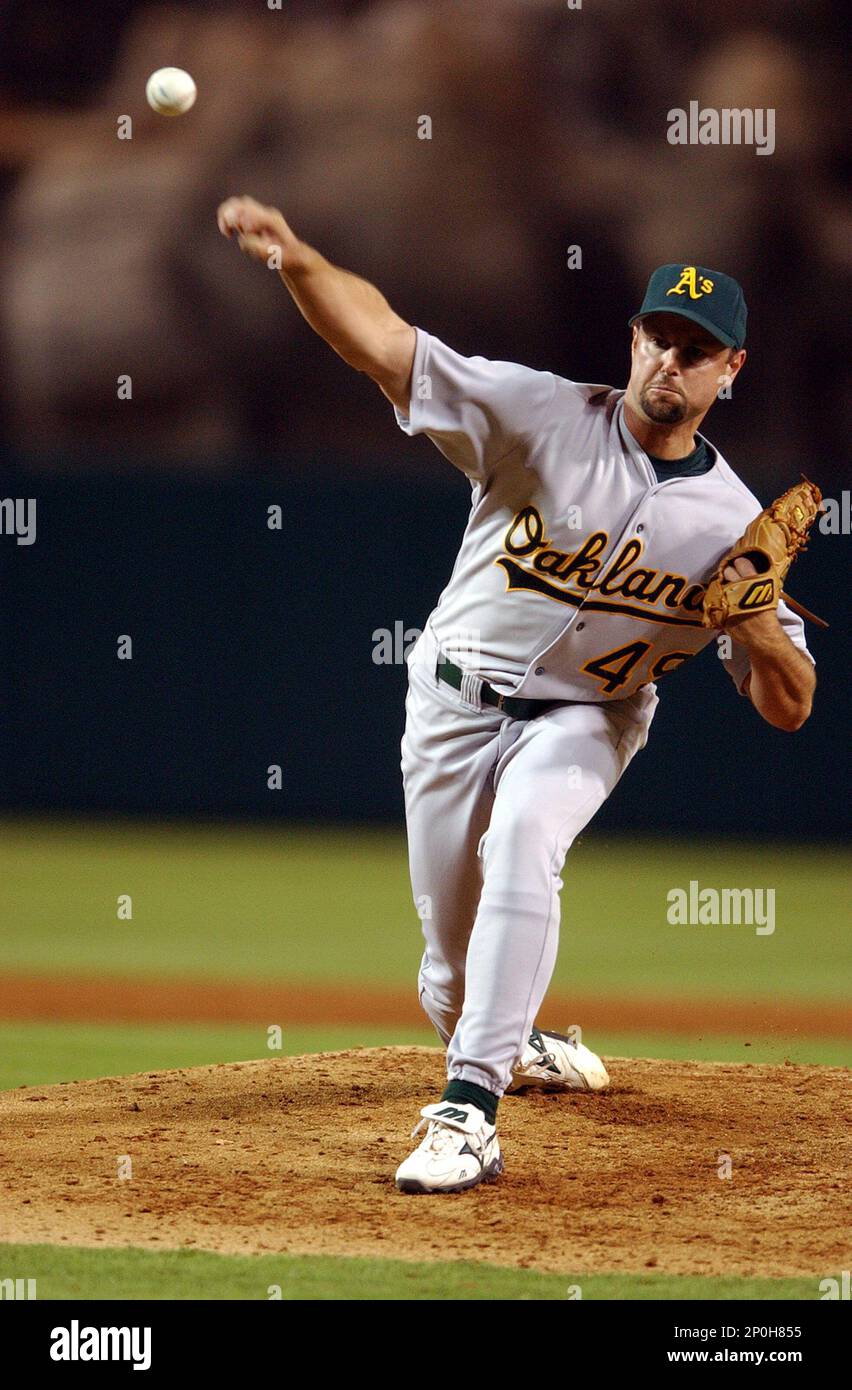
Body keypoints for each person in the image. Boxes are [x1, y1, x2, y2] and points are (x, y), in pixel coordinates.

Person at [217, 198, 816, 1194]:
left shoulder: (733, 522)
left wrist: (754, 622)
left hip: (591, 715)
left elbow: (788, 705)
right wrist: (297, 259)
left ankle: (470, 1113)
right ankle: (506, 1036)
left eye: (698, 348)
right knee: (449, 979)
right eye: (659, 336)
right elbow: (387, 345)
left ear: (729, 371)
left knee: (528, 834)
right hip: (453, 705)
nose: (672, 359)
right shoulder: (538, 412)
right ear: (632, 342)